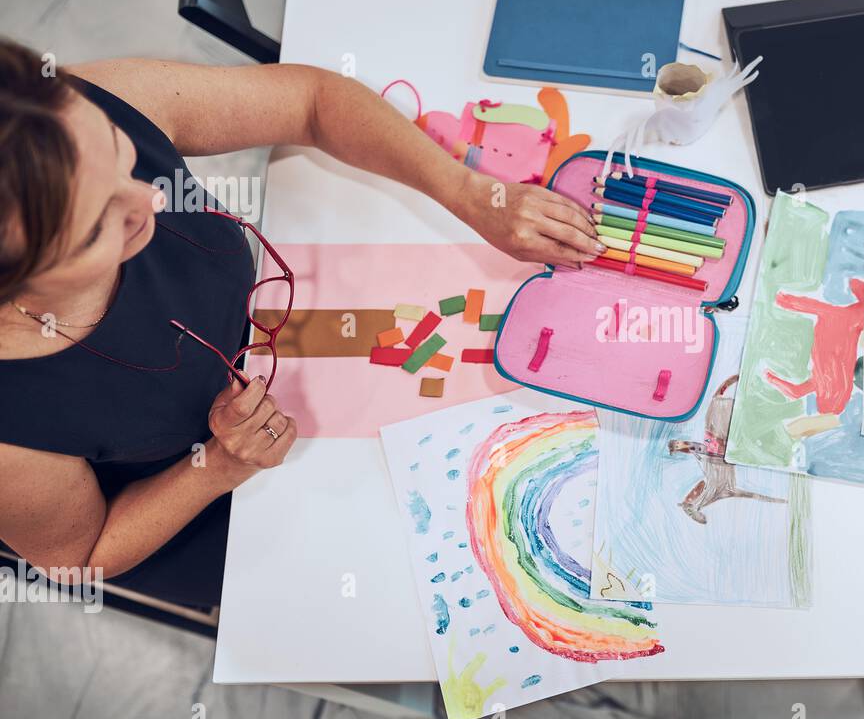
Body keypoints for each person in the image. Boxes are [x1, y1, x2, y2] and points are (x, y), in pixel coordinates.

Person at [0, 40, 606, 606]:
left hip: (292, 343)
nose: (152, 198)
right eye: (99, 225)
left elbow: (312, 103)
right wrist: (219, 465)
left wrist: (473, 195)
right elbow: (81, 554)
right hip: (218, 502)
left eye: (116, 151)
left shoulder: (71, 106)